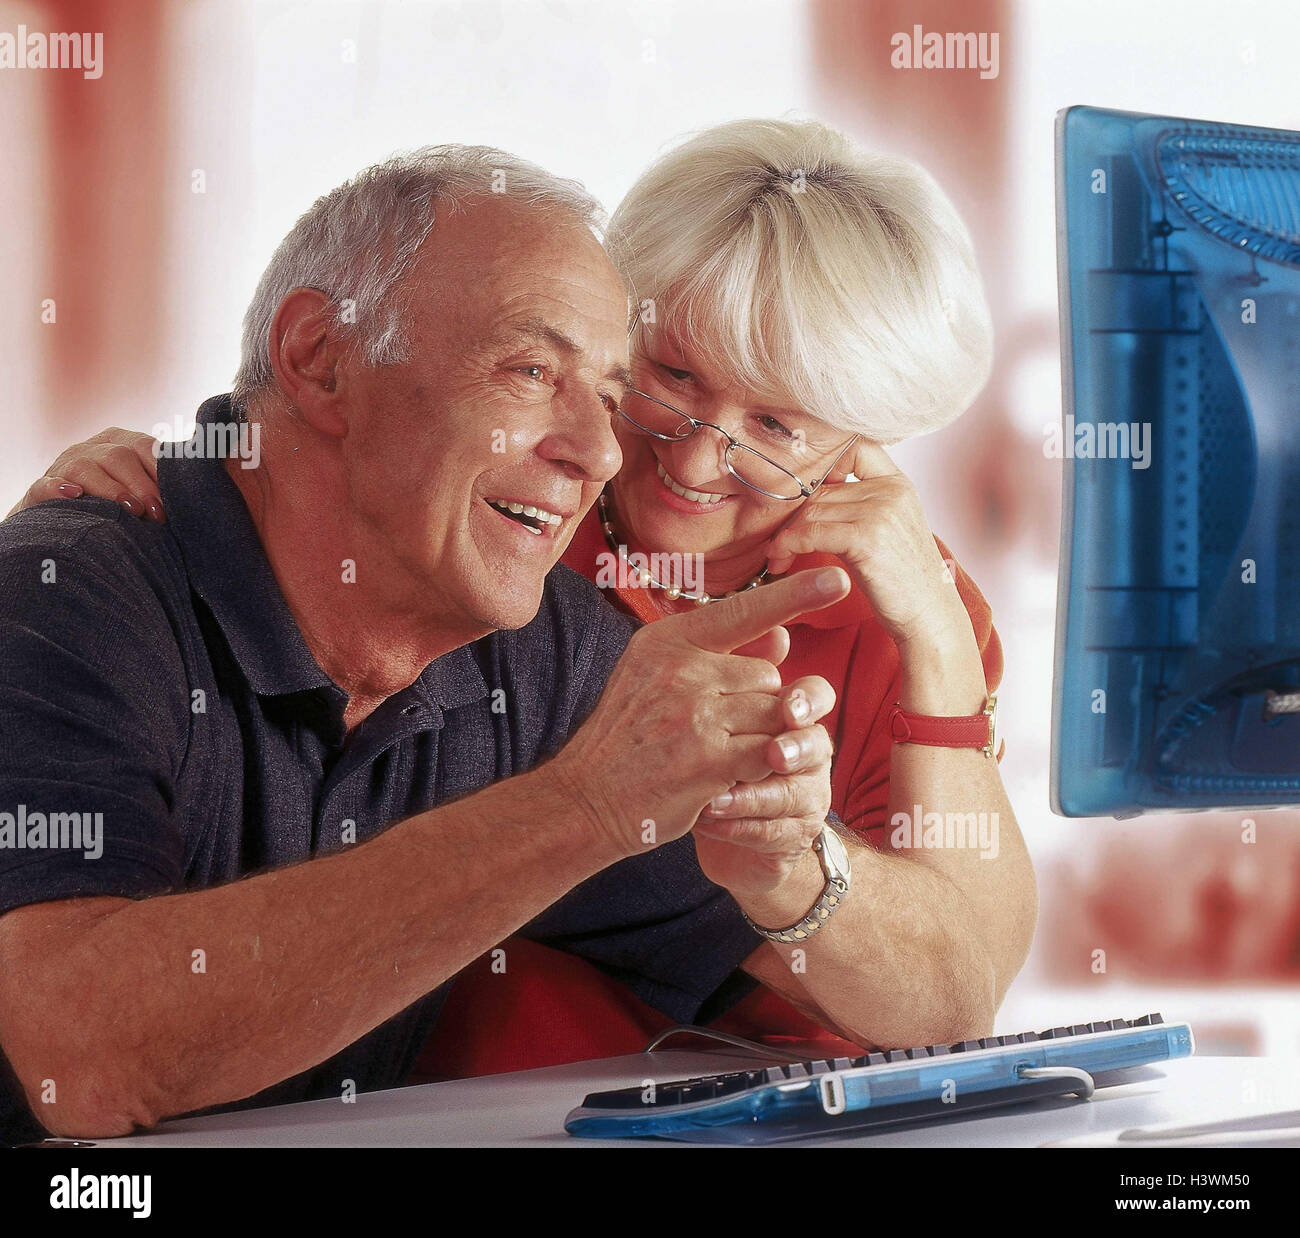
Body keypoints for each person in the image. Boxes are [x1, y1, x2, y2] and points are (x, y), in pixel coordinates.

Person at [19, 119, 1038, 1081]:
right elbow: (323, 447)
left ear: (857, 443)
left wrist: (916, 669)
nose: (674, 454)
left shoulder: (562, 642)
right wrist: (198, 476)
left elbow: (956, 994)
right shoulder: (493, 560)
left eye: (774, 423)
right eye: (663, 378)